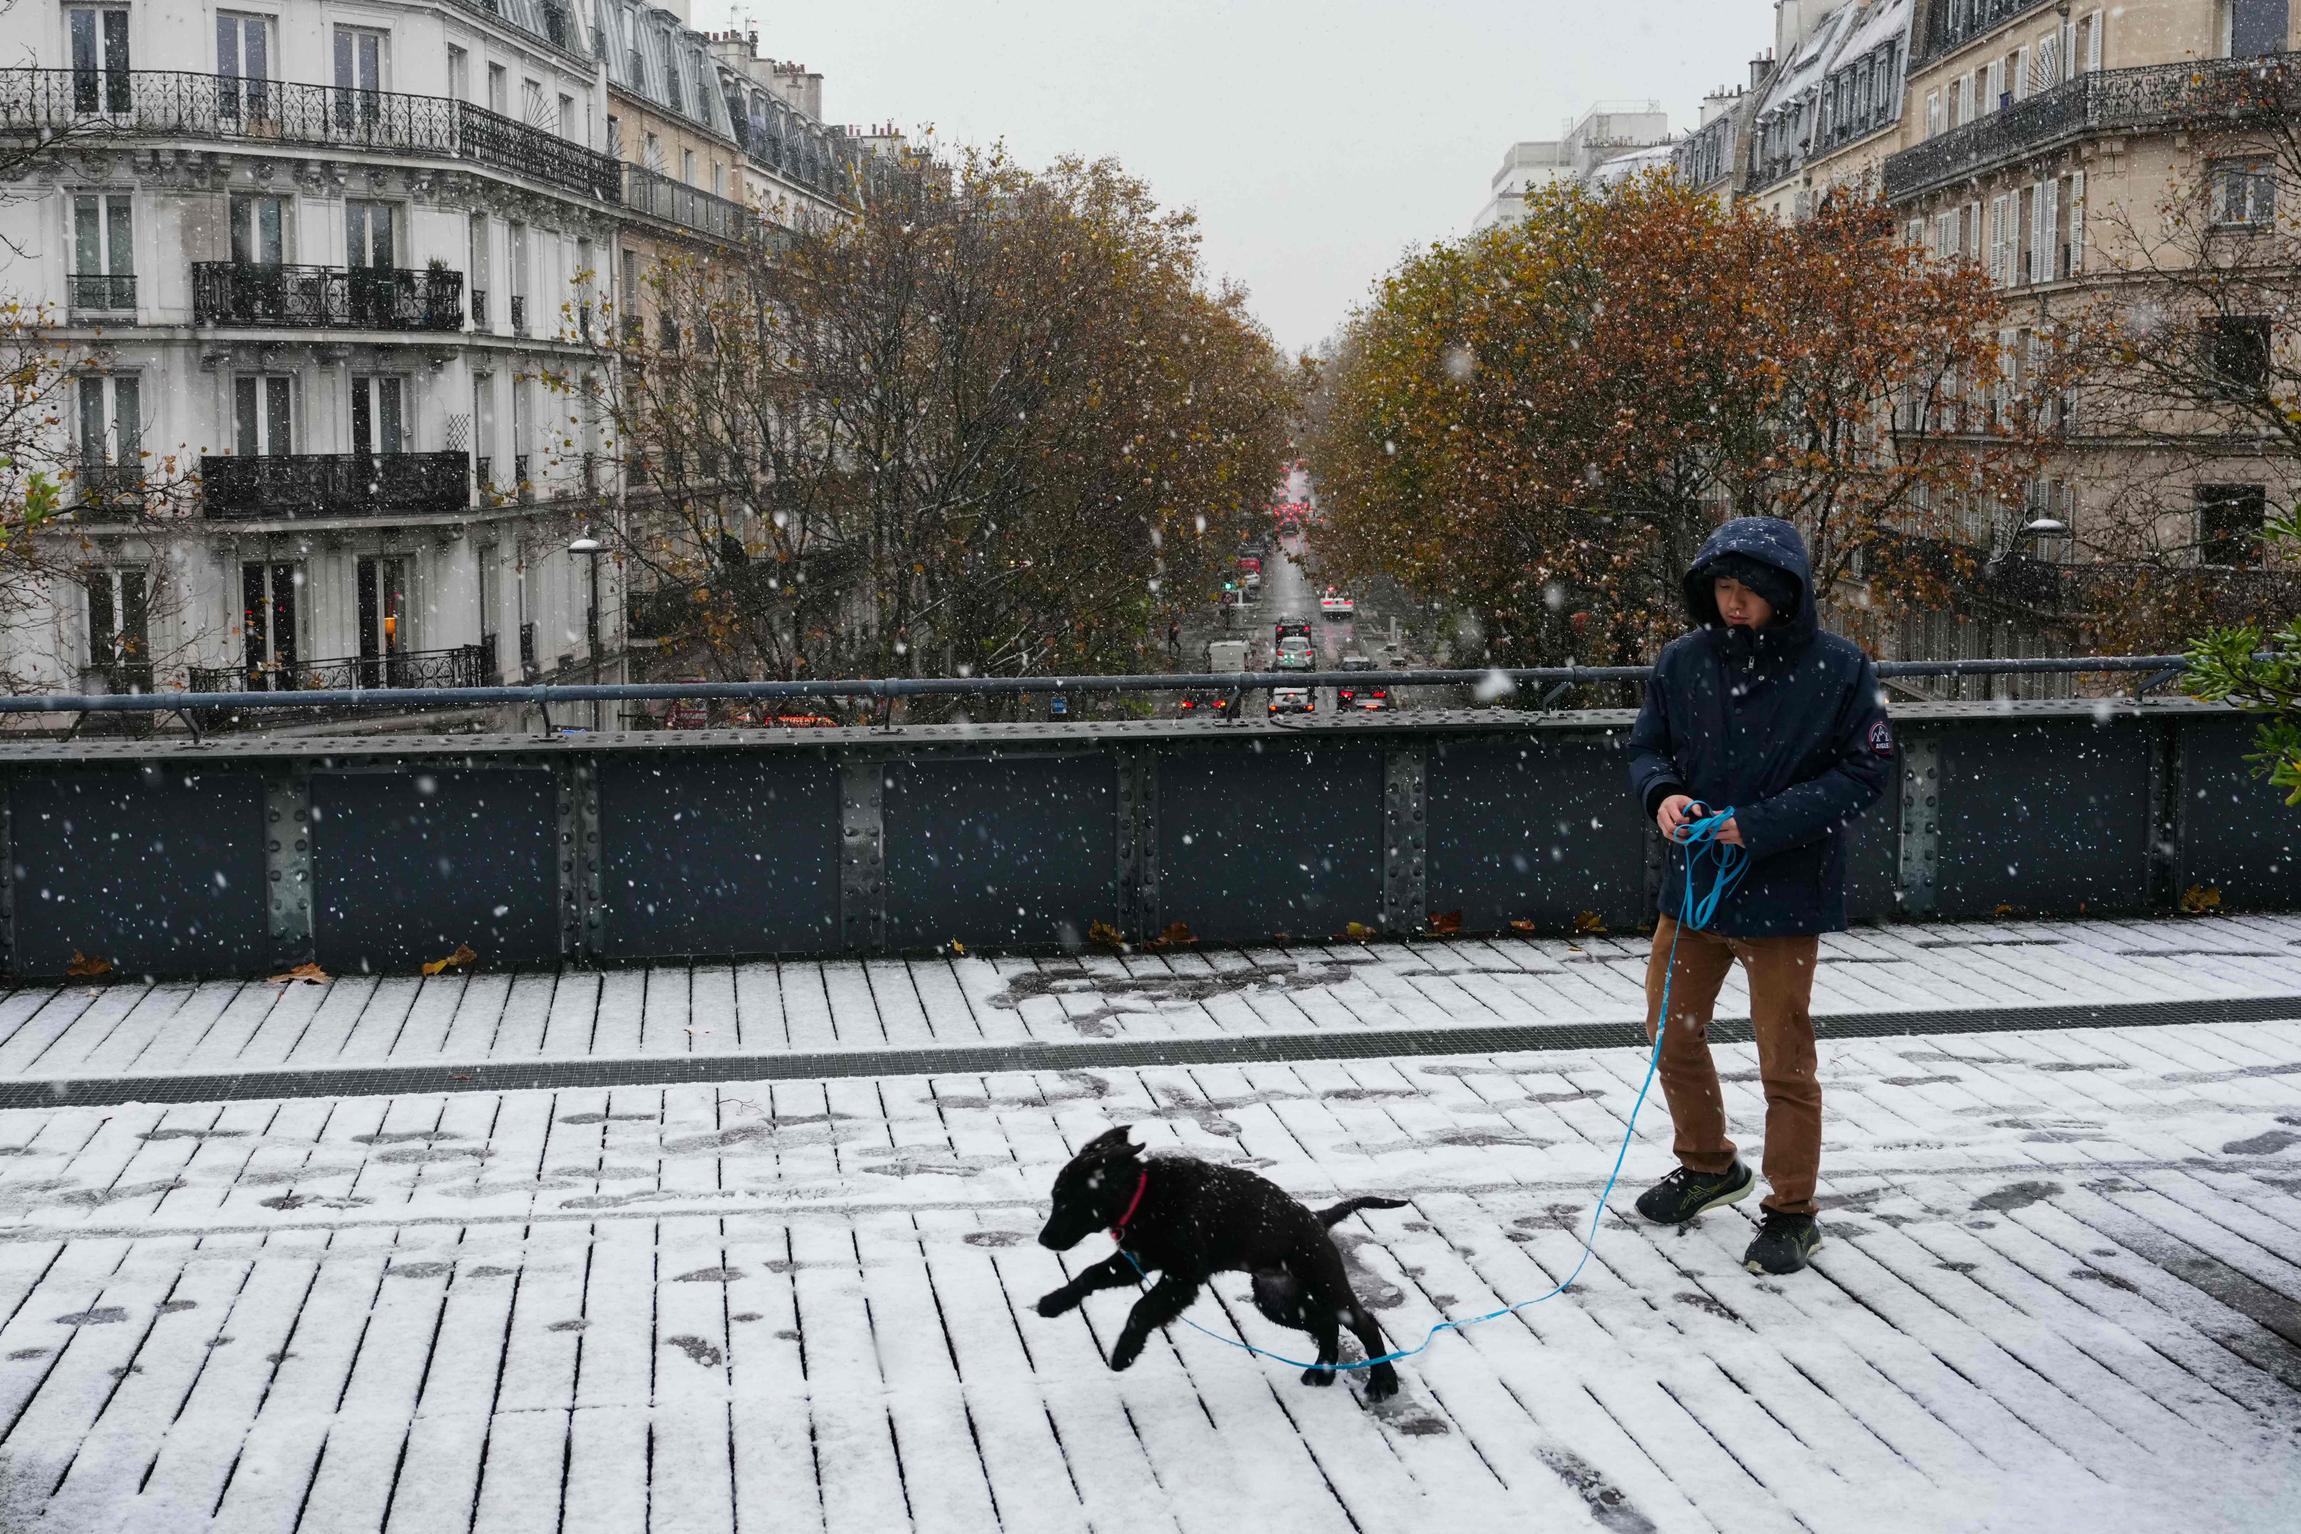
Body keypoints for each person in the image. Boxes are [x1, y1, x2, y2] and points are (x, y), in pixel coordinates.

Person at [1626, 516, 1892, 1276]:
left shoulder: (1840, 668)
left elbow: (1863, 774)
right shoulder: (1682, 661)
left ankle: (1791, 1210)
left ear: (1783, 593)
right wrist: (1662, 796)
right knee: (1669, 1035)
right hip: (1693, 892)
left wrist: (1761, 825)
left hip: (1784, 898)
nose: (1732, 603)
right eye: (1721, 588)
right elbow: (1646, 746)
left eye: (1745, 590)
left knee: (1784, 1060)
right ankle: (1709, 1166)